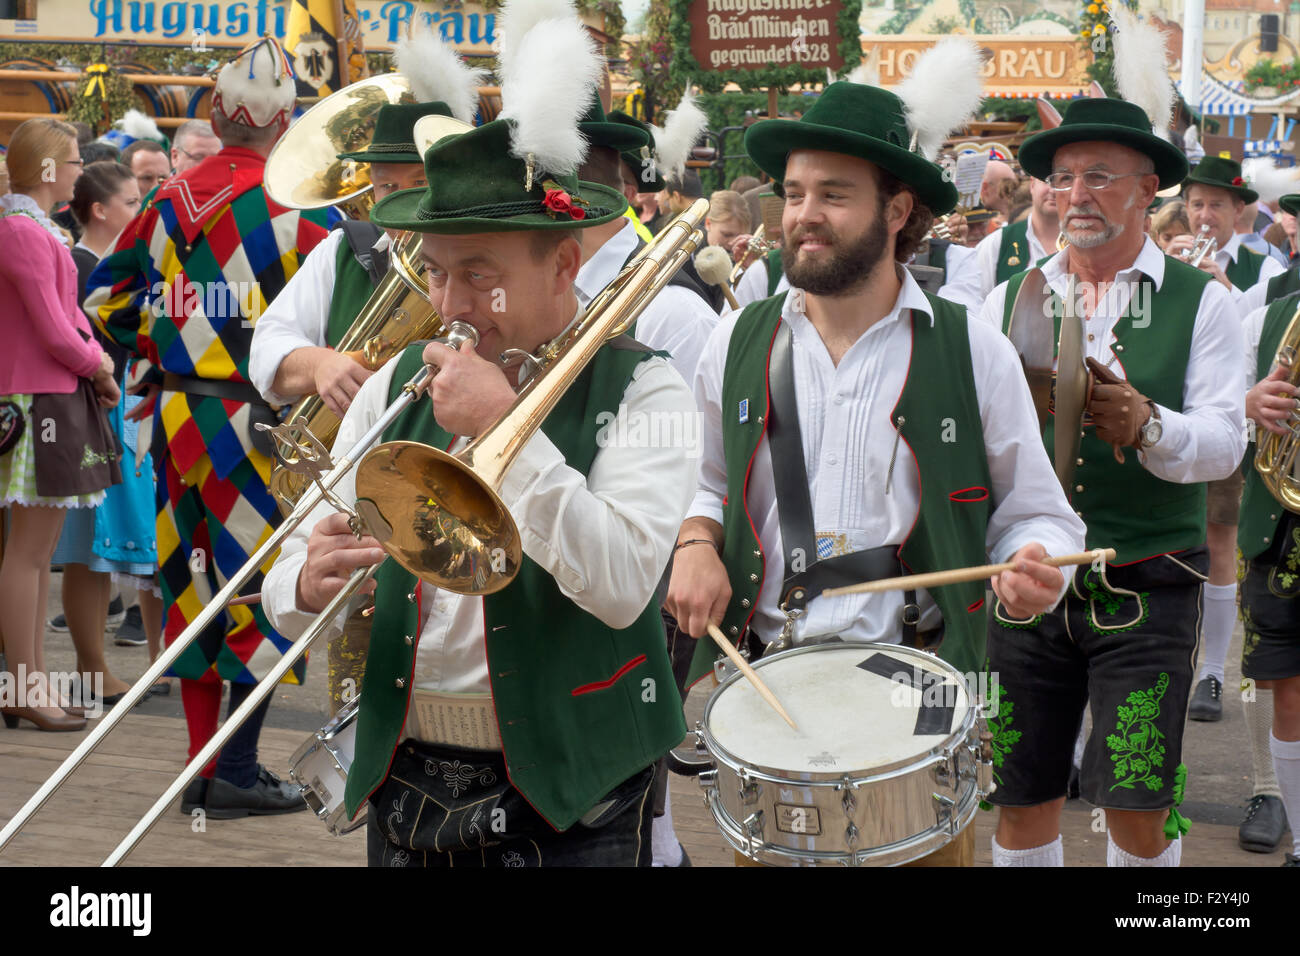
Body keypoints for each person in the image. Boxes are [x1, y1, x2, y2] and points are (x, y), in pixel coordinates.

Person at [263, 13, 698, 867]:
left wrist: (506, 429)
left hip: (573, 791)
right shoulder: (396, 387)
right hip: (407, 779)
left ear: (565, 265)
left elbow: (619, 585)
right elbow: (288, 563)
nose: (449, 304)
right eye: (434, 270)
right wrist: (300, 584)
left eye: (480, 275)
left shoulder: (646, 387)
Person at [665, 62, 1085, 867]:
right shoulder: (738, 337)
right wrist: (692, 541)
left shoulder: (972, 348)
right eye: (793, 193)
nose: (803, 217)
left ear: (897, 211)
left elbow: (1038, 511)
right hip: (773, 680)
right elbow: (707, 478)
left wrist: (1035, 562)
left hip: (925, 683)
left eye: (833, 194)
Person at [980, 90, 1245, 866]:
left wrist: (1149, 423)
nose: (1076, 194)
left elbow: (1226, 443)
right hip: (1028, 586)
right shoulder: (1007, 297)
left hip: (1146, 586)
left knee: (1138, 811)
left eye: (1100, 175)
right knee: (1021, 804)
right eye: (1063, 177)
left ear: (1146, 190)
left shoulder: (1204, 305)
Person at [86, 37, 330, 818]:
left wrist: (155, 360)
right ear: (284, 121)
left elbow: (103, 302)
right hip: (259, 429)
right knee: (260, 591)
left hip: (179, 425)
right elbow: (345, 324)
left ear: (217, 116)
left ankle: (203, 768)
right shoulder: (299, 212)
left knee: (192, 586)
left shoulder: (162, 201)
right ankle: (236, 769)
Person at [251, 34, 483, 714]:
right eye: (383, 185)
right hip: (360, 495)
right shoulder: (342, 254)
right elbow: (268, 346)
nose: (394, 201)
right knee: (365, 680)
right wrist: (320, 364)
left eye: (413, 185)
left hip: (456, 492)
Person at [0, 118, 120, 732]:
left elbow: (64, 315)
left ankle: (27, 680)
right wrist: (96, 362)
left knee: (35, 552)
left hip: (47, 393)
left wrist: (91, 361)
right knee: (28, 553)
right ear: (48, 166)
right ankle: (22, 683)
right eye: (71, 159)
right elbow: (55, 325)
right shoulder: (22, 230)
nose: (78, 169)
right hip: (36, 399)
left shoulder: (33, 227)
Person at [1164, 157, 1284, 724]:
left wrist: (1221, 289)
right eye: (1195, 204)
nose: (1203, 215)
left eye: (1216, 205)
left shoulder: (1266, 267)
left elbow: (1260, 344)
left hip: (1226, 415)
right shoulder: (1166, 259)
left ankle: (1212, 672)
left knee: (1218, 543)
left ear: (1241, 211)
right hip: (1167, 411)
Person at [49, 161, 160, 706]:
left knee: (105, 548)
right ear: (99, 209)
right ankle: (91, 667)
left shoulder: (116, 264)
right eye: (132, 202)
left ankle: (98, 667)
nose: (140, 212)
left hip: (115, 407)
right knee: (84, 548)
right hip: (91, 409)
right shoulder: (78, 263)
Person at [1237, 277, 1300, 867]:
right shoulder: (1270, 317)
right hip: (1280, 529)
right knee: (1284, 685)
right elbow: (1218, 401)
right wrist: (1248, 403)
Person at [939, 176, 1060, 314]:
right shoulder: (996, 243)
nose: (1053, 190)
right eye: (1047, 181)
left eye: (1063, 180)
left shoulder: (1084, 244)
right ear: (1032, 185)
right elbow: (975, 310)